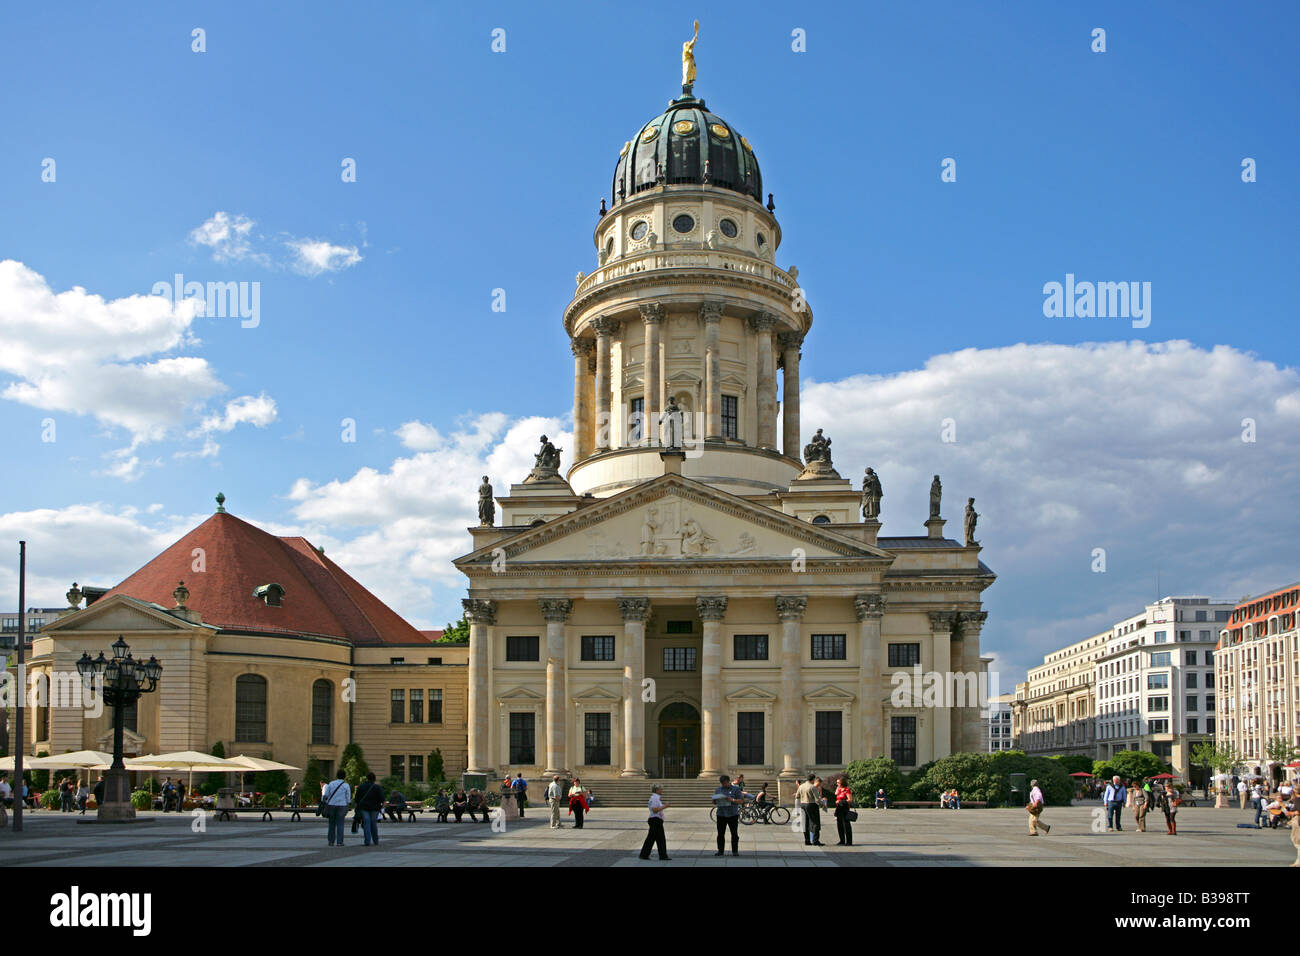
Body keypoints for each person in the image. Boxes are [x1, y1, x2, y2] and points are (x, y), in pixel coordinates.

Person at [712, 774, 747, 856]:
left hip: (733, 815)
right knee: (720, 834)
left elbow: (742, 801)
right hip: (721, 814)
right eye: (722, 783)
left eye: (724, 783)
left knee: (734, 834)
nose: (723, 785)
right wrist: (714, 800)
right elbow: (714, 802)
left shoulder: (736, 789)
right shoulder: (718, 789)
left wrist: (732, 800)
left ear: (728, 781)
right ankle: (720, 851)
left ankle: (735, 851)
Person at [639, 784, 671, 860]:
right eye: (661, 789)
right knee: (660, 839)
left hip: (656, 820)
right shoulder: (654, 798)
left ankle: (644, 854)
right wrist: (665, 806)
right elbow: (654, 810)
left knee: (651, 838)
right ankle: (662, 855)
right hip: (655, 820)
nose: (662, 790)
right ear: (657, 790)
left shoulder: (656, 798)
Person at [320, 770, 352, 847]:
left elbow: (326, 795)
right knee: (340, 823)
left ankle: (331, 841)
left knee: (332, 823)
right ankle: (339, 842)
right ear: (344, 776)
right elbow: (348, 797)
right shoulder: (346, 785)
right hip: (342, 805)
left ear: (337, 775)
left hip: (331, 805)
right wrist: (348, 805)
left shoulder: (331, 783)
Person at [354, 771, 385, 846]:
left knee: (366, 823)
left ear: (367, 778)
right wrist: (381, 808)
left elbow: (356, 799)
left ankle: (367, 841)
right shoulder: (377, 787)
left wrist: (357, 807)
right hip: (374, 808)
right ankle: (375, 840)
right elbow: (382, 799)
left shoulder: (361, 786)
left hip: (364, 808)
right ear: (374, 779)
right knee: (373, 823)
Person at [796, 773, 825, 846]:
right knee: (815, 823)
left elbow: (797, 796)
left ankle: (807, 840)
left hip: (803, 804)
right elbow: (817, 799)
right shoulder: (812, 787)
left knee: (805, 823)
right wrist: (822, 804)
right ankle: (815, 841)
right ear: (813, 779)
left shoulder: (801, 786)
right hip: (811, 804)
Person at [834, 775, 854, 846]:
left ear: (842, 783)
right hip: (838, 808)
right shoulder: (839, 789)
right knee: (839, 824)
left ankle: (849, 841)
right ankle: (842, 840)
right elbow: (835, 794)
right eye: (837, 783)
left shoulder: (847, 789)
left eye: (838, 783)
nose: (837, 784)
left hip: (844, 808)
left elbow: (850, 800)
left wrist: (841, 801)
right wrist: (838, 788)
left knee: (846, 824)